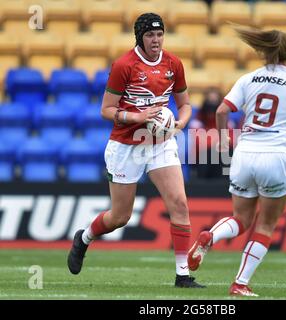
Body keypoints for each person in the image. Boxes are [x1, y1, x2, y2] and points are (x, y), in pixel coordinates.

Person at [67, 13, 204, 288]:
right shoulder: (124, 65)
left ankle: (182, 276)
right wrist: (138, 118)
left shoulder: (173, 63)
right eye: (150, 35)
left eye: (160, 34)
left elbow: (186, 104)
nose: (156, 40)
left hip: (160, 143)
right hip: (126, 145)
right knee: (120, 217)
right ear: (140, 37)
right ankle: (84, 239)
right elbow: (106, 110)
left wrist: (180, 123)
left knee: (179, 203)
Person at [188, 27, 286, 296]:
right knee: (265, 225)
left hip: (244, 154)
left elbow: (221, 110)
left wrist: (223, 138)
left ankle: (209, 237)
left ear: (264, 52)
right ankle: (239, 283)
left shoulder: (248, 79)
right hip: (277, 157)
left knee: (240, 219)